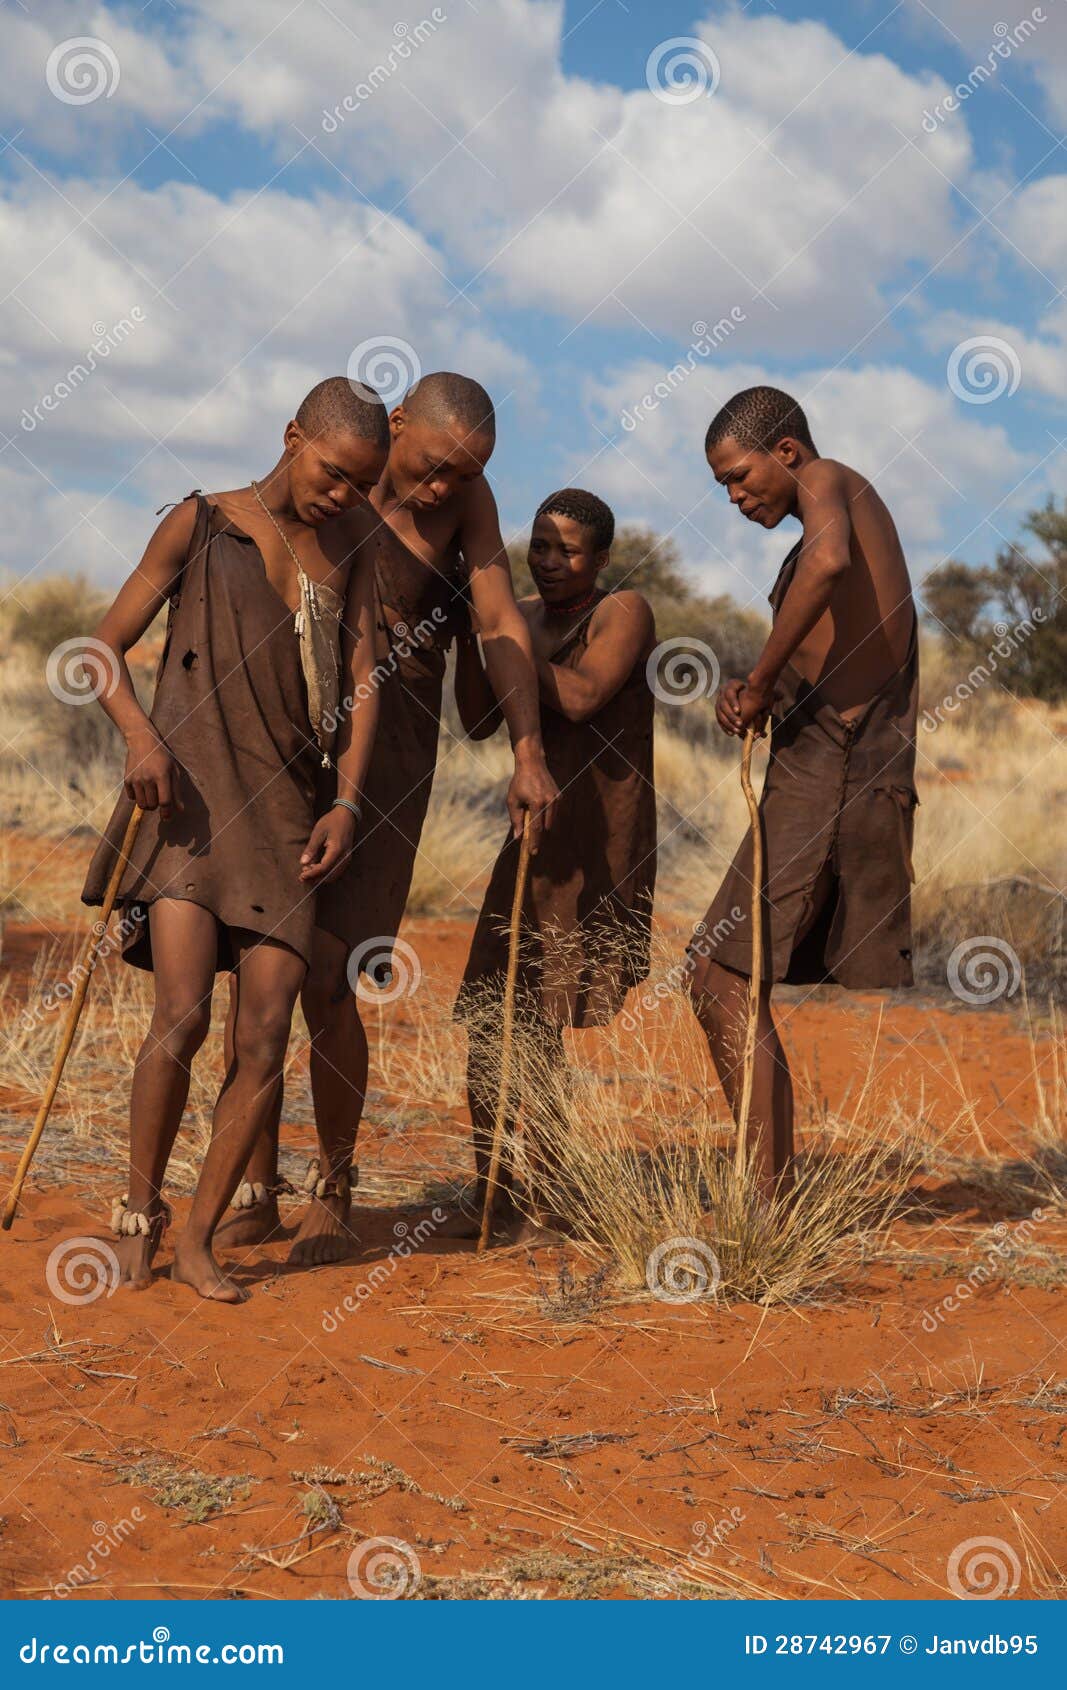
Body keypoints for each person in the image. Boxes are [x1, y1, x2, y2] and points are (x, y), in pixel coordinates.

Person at [217, 372, 559, 1265]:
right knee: (257, 962)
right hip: (283, 734)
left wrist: (528, 751)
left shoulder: (465, 505)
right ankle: (251, 1188)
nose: (445, 486)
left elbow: (497, 623)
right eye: (436, 465)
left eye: (466, 473)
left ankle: (334, 1184)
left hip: (393, 749)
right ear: (395, 424)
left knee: (328, 974)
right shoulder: (331, 463)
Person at [80, 378, 388, 1300]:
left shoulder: (355, 548)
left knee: (264, 1036)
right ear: (294, 437)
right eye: (335, 475)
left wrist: (346, 805)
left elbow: (366, 681)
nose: (343, 496)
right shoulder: (200, 523)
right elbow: (102, 650)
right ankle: (139, 1216)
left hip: (292, 819)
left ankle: (202, 1241)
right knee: (179, 1017)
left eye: (361, 485)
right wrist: (140, 736)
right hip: (189, 814)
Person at [686, 386, 918, 1199]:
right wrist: (764, 699)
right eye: (720, 487)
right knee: (725, 977)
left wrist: (759, 675)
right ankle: (768, 1195)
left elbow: (827, 563)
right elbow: (838, 638)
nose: (734, 496)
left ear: (785, 451)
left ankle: (765, 1205)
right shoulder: (829, 509)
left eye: (739, 476)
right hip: (820, 757)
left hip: (838, 765)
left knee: (717, 977)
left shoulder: (831, 479)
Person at [451, 487, 657, 1240]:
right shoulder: (524, 617)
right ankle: (491, 1187)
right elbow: (476, 718)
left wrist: (503, 638)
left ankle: (542, 1193)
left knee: (542, 1014)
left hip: (600, 843)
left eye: (567, 549)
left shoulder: (621, 611)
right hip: (531, 838)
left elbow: (579, 695)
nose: (548, 561)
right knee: (489, 1013)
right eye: (538, 545)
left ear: (599, 558)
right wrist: (481, 633)